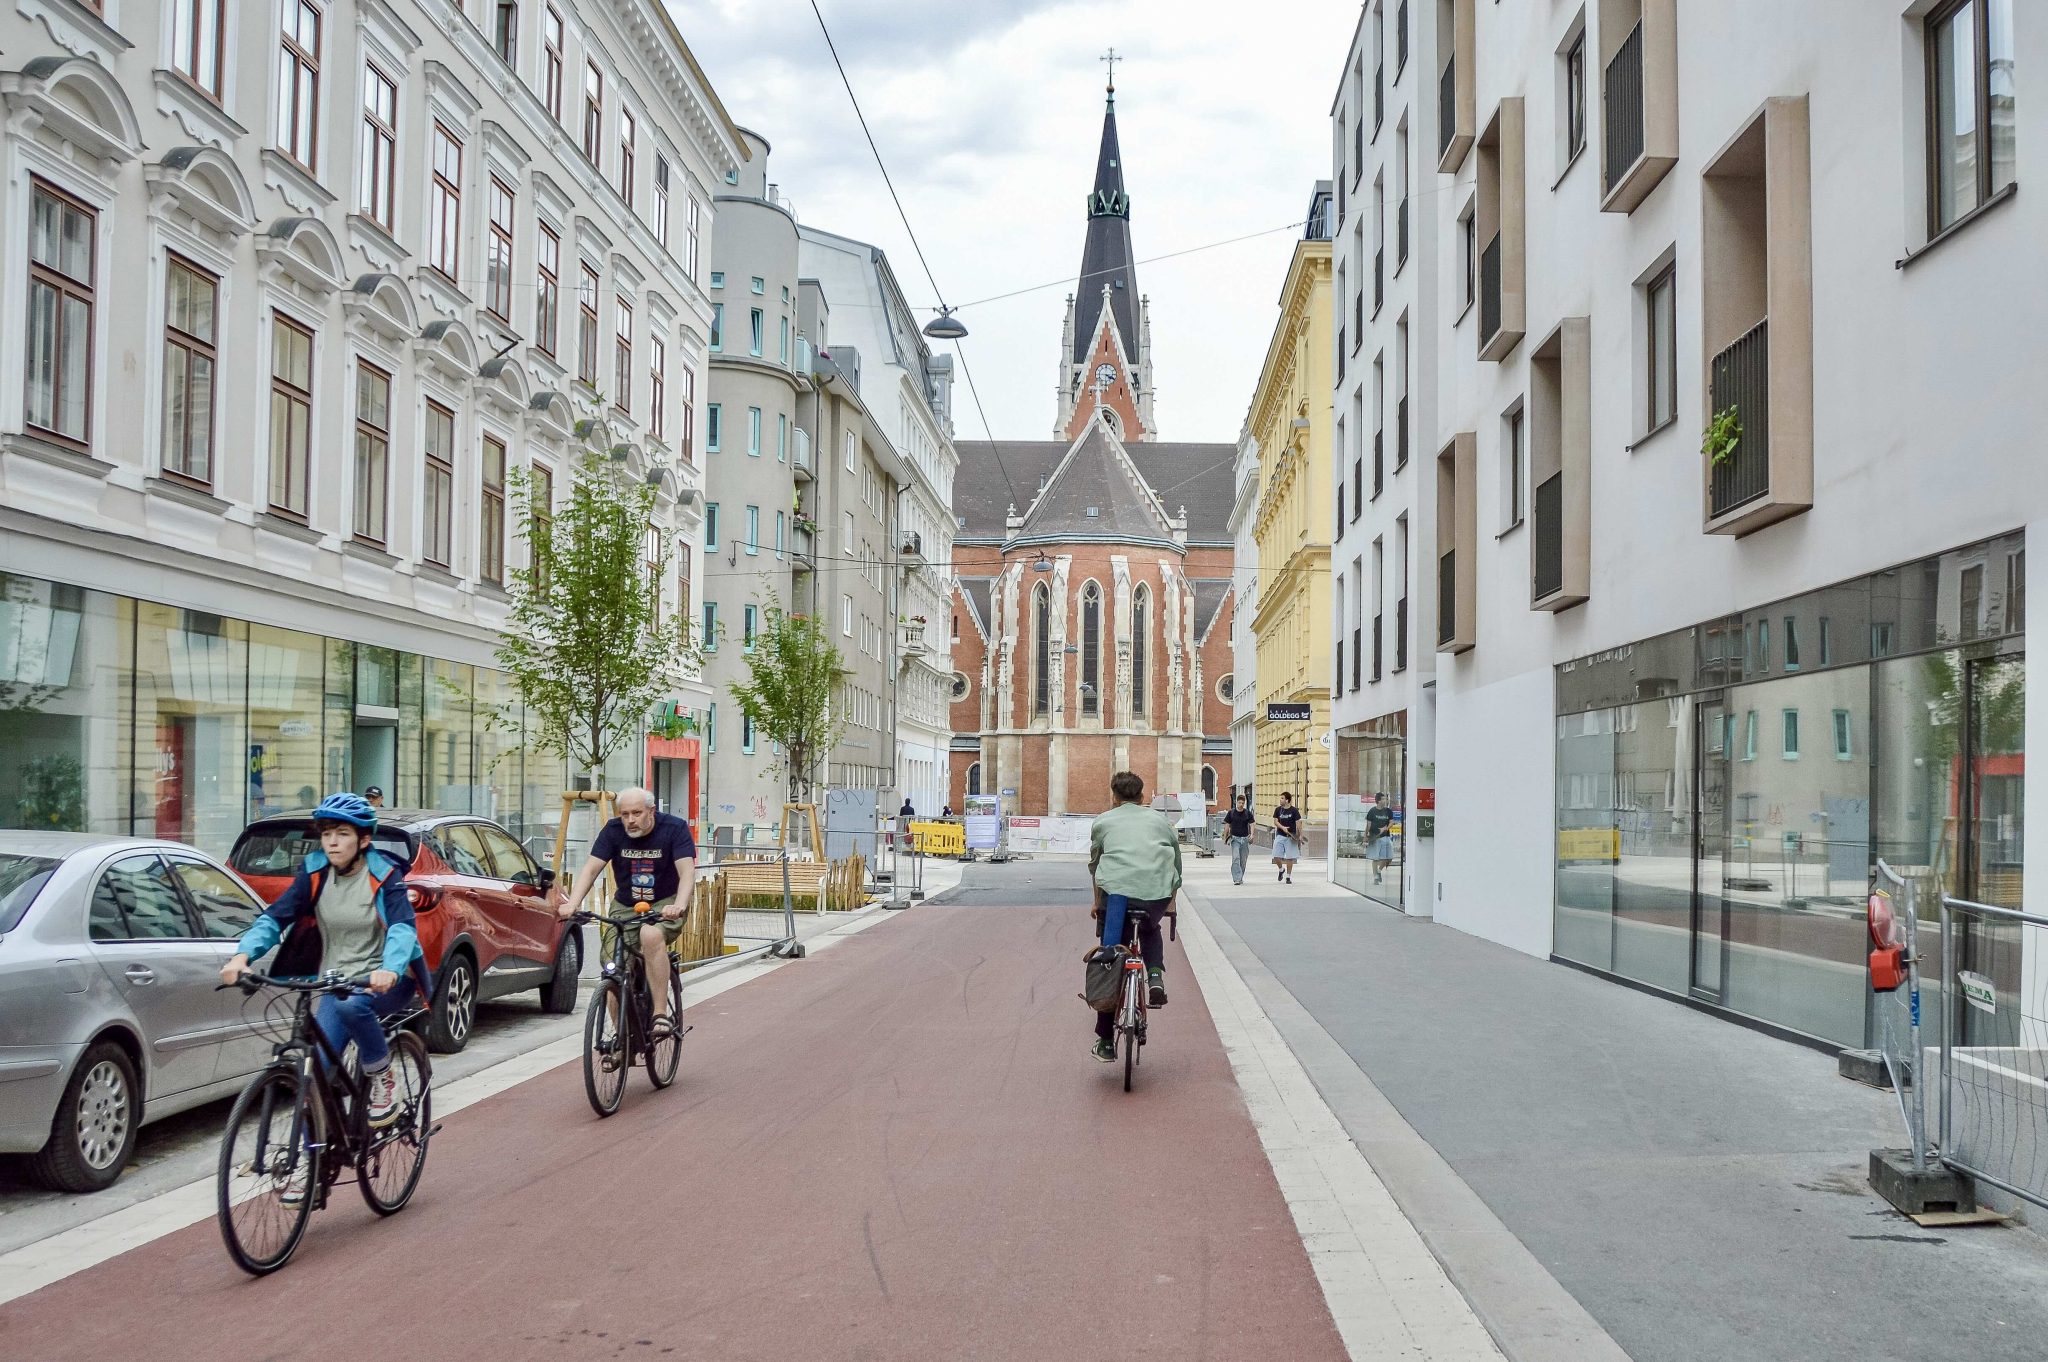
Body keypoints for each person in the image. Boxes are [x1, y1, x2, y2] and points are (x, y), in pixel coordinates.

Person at [220, 793, 430, 1145]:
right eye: (327, 833)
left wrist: (390, 969)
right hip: (336, 982)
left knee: (354, 1005)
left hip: (388, 980)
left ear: (364, 839)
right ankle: (307, 1161)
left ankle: (382, 1077)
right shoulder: (315, 871)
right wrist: (243, 956)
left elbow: (402, 929)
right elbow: (277, 916)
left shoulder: (386, 875)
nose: (332, 841)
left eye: (343, 833)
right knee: (313, 1074)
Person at [553, 787, 697, 1038]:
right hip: (625, 905)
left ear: (651, 811)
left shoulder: (674, 829)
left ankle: (660, 1014)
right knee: (613, 969)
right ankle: (623, 1041)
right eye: (625, 814)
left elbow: (687, 873)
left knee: (650, 936)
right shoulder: (613, 830)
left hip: (665, 902)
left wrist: (680, 905)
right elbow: (591, 869)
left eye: (637, 813)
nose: (630, 820)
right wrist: (573, 902)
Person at [1087, 771, 1182, 1063]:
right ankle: (1155, 978)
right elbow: (1176, 864)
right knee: (1150, 927)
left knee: (1109, 959)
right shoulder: (1161, 822)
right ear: (1142, 798)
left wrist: (1096, 902)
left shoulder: (1103, 821)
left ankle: (1105, 1041)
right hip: (1156, 893)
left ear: (1114, 797)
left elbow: (1096, 865)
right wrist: (1171, 902)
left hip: (1116, 897)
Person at [1222, 794, 1255, 885]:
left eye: (1242, 803)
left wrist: (1252, 834)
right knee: (1236, 858)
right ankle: (1236, 878)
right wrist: (1225, 838)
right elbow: (1227, 825)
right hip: (1235, 839)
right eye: (1239, 802)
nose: (1241, 804)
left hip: (1244, 839)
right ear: (1236, 802)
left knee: (1243, 860)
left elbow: (1252, 823)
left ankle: (1240, 877)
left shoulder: (1247, 813)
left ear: (1244, 804)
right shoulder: (1231, 813)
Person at [1272, 793, 1302, 884]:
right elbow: (1275, 821)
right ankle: (1281, 869)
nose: (1280, 800)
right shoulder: (1278, 810)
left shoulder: (1294, 811)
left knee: (1290, 857)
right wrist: (1282, 828)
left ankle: (1288, 877)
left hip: (1290, 836)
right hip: (1280, 835)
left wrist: (1300, 835)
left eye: (1282, 798)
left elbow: (1298, 823)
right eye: (1280, 798)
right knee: (1276, 855)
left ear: (1287, 800)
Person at [1366, 792, 1395, 885]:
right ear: (1378, 801)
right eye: (1383, 799)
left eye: (1385, 799)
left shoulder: (1388, 811)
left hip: (1386, 836)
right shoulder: (1372, 811)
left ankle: (1379, 871)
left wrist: (1386, 828)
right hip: (1375, 837)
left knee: (1389, 857)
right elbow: (1368, 825)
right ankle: (1375, 877)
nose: (1385, 800)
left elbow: (1391, 822)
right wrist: (1365, 836)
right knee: (1375, 858)